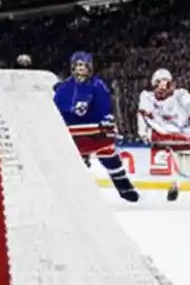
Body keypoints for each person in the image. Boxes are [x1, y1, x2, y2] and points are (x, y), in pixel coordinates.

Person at [53, 51, 139, 202]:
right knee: (74, 162)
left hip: (94, 131)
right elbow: (57, 109)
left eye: (83, 66)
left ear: (89, 67)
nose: (80, 69)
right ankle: (72, 191)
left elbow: (105, 107)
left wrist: (107, 120)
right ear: (72, 68)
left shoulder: (98, 85)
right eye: (77, 65)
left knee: (109, 157)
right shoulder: (63, 88)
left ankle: (125, 188)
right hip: (72, 132)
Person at [137, 68, 190, 203]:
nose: (163, 85)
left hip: (182, 135)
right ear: (154, 84)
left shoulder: (182, 96)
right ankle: (173, 186)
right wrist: (143, 132)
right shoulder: (147, 98)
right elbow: (142, 116)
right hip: (163, 136)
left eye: (166, 82)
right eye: (159, 82)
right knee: (167, 164)